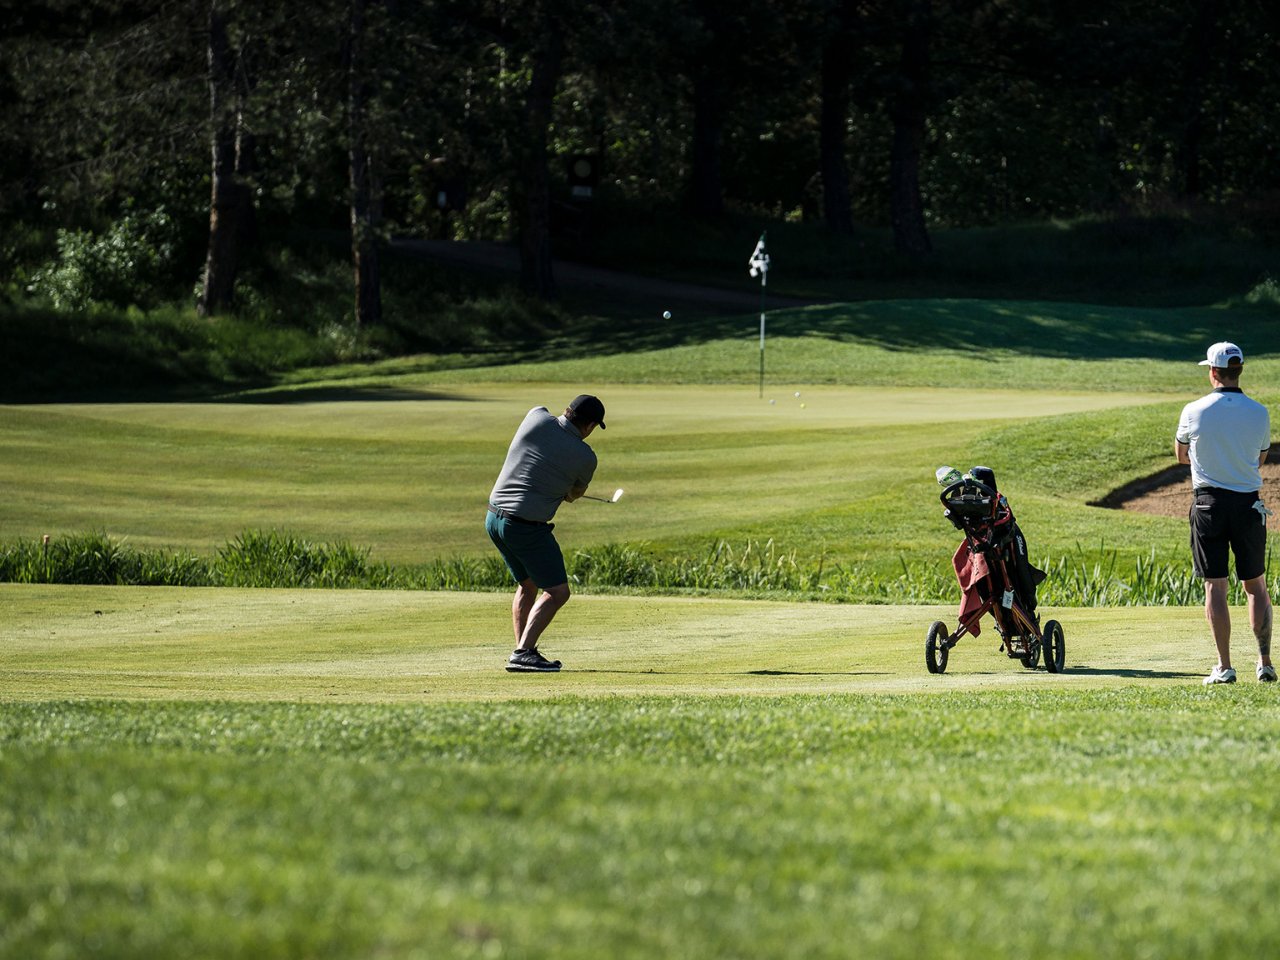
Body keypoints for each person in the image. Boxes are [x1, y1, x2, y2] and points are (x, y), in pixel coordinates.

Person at [1175, 341, 1273, 685]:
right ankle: (1264, 663)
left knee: (1216, 587)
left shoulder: (1193, 410)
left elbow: (1181, 455)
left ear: (1213, 372)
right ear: (1239, 370)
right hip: (1248, 505)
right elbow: (1259, 459)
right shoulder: (1260, 412)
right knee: (1255, 585)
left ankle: (1225, 666)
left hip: (1208, 505)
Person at [486, 394, 606, 672]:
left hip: (493, 518)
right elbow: (573, 495)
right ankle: (524, 651)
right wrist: (566, 490)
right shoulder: (585, 457)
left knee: (527, 585)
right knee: (558, 592)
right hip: (525, 527)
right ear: (589, 426)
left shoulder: (535, 417)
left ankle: (523, 653)